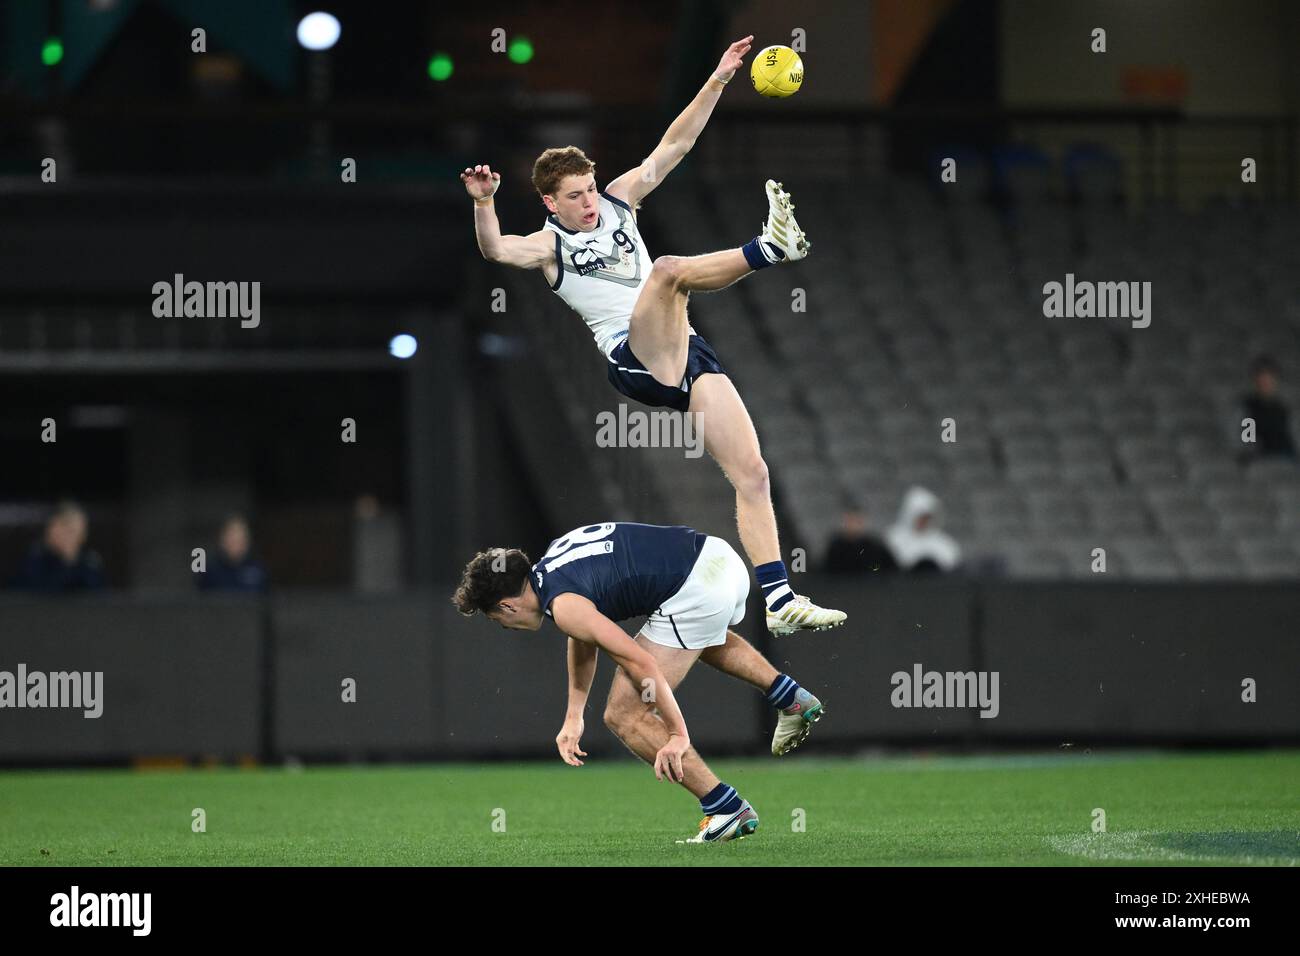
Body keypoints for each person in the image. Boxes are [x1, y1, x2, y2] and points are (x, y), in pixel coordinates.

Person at [460, 34, 844, 639]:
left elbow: (677, 143)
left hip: (684, 351)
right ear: (549, 201)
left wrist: (718, 77)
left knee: (752, 473)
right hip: (633, 356)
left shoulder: (618, 200)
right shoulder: (548, 246)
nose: (589, 202)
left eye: (590, 189)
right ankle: (771, 247)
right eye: (575, 196)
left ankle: (778, 598)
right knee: (667, 272)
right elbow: (495, 248)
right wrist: (484, 204)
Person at [451, 521, 826, 844]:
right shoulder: (553, 568)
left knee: (624, 714)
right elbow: (583, 638)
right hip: (719, 559)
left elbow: (640, 661)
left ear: (506, 606)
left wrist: (678, 734)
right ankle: (790, 696)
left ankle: (726, 809)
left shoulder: (563, 606)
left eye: (494, 618)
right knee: (694, 638)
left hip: (697, 587)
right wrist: (574, 715)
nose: (502, 627)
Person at [9, 500, 105, 592]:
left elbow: (97, 595)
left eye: (76, 532)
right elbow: (33, 594)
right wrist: (66, 565)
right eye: (67, 529)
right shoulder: (35, 558)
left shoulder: (88, 562)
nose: (69, 536)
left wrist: (70, 560)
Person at [885, 486, 962, 573]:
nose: (923, 521)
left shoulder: (943, 543)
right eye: (920, 517)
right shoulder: (893, 539)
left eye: (926, 517)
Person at [1240, 355, 1296, 461]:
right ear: (1255, 380)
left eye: (1270, 378)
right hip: (1259, 463)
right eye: (1262, 378)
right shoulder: (1247, 408)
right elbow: (1248, 444)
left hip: (1285, 461)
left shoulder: (1282, 409)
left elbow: (1290, 442)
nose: (1266, 382)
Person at [195, 514, 268, 592]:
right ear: (222, 539)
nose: (235, 543)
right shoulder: (209, 571)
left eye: (239, 539)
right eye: (232, 538)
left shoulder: (258, 570)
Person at [824, 508, 898, 575]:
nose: (853, 525)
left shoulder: (876, 549)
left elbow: (891, 572)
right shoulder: (835, 550)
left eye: (857, 521)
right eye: (850, 520)